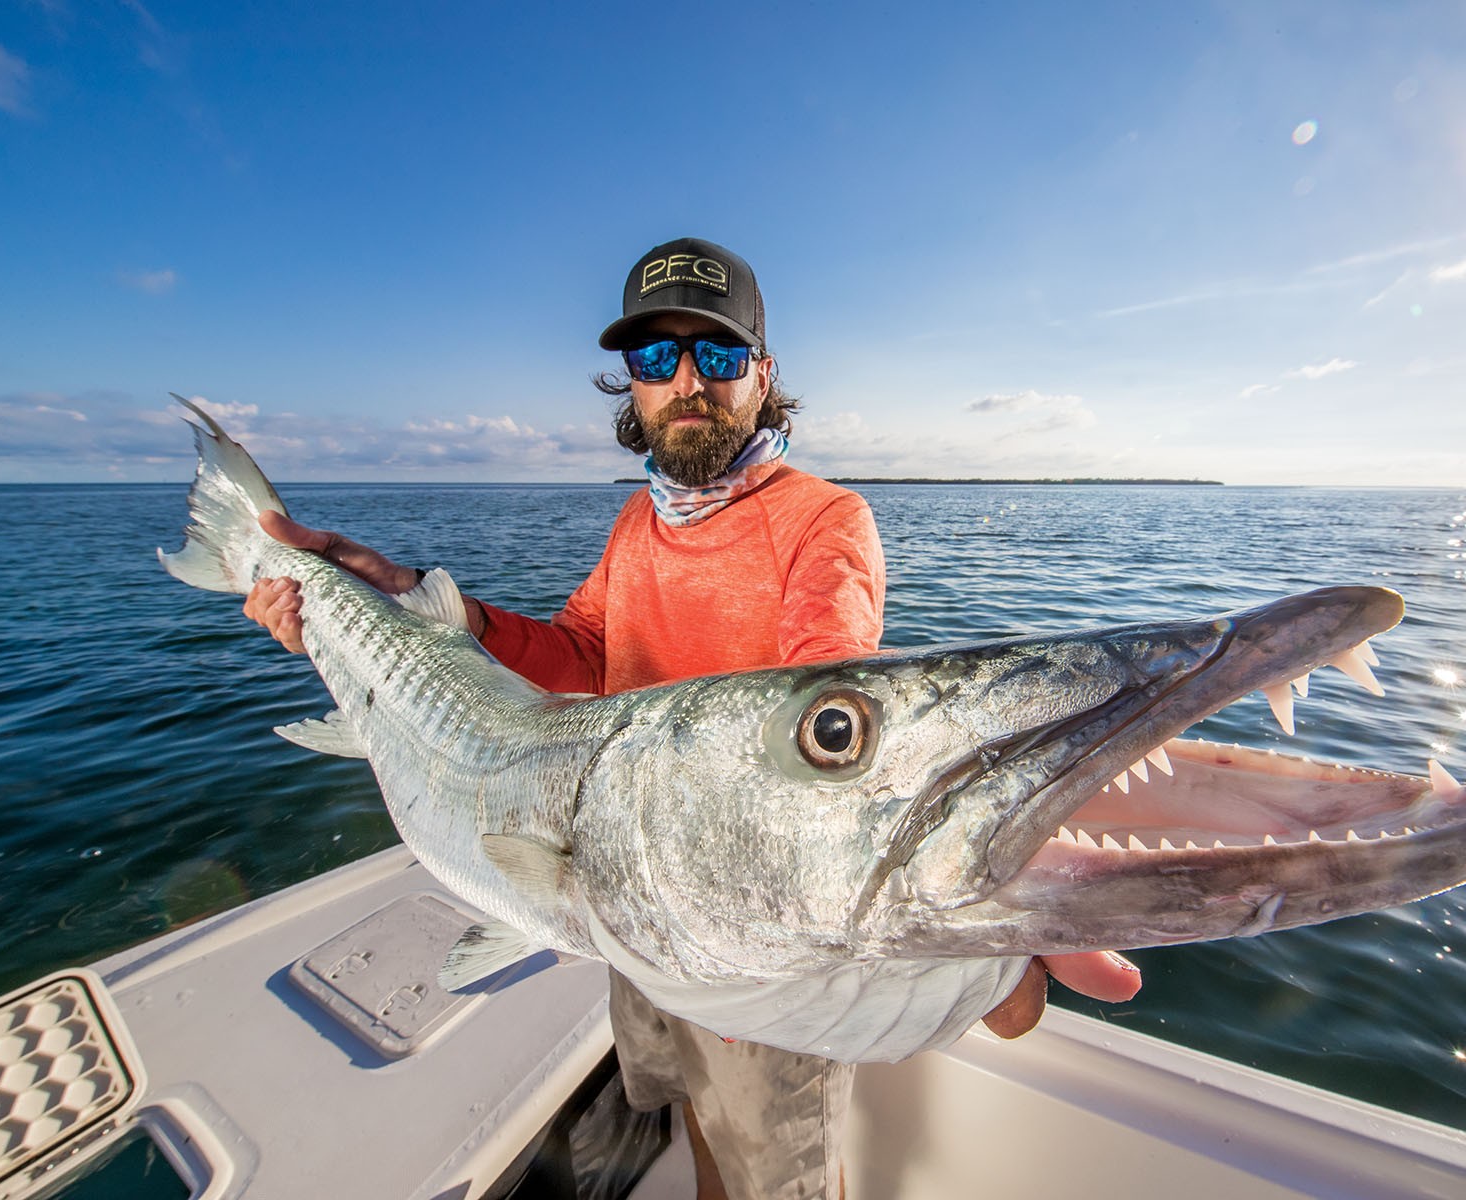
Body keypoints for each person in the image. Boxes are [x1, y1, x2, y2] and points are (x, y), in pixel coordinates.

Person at [243, 237, 1144, 1200]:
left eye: (715, 356)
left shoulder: (823, 520)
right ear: (628, 384)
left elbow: (826, 706)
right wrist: (413, 594)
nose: (685, 383)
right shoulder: (640, 524)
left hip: (755, 945)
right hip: (629, 901)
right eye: (654, 358)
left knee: (777, 1183)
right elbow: (581, 658)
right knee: (699, 1132)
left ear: (762, 376)